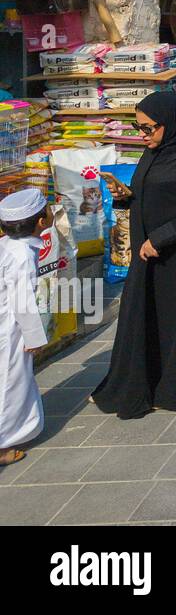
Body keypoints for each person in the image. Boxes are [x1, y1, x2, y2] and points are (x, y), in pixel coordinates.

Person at [93, 93, 176, 420]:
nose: (142, 134)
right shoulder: (155, 150)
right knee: (147, 318)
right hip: (151, 256)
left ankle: (173, 387)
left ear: (171, 123)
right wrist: (127, 197)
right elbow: (150, 194)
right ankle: (142, 382)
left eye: (148, 128)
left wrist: (164, 236)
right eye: (137, 128)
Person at [0, 188, 49, 465]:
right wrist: (34, 337)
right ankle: (4, 443)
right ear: (41, 221)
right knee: (10, 382)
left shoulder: (7, 245)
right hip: (9, 328)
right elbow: (22, 300)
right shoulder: (22, 255)